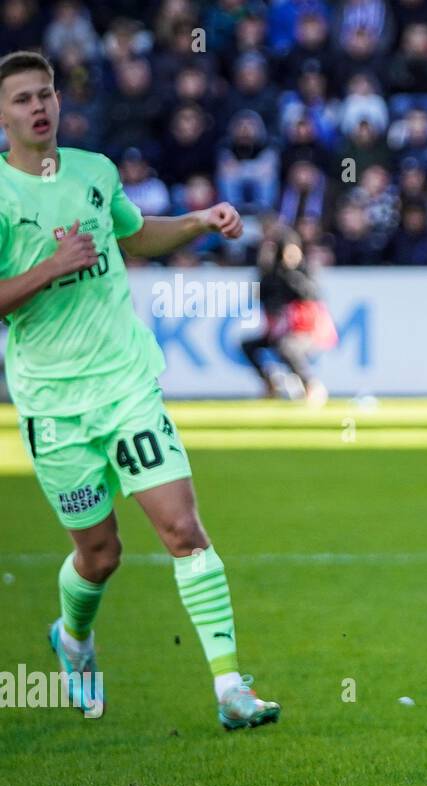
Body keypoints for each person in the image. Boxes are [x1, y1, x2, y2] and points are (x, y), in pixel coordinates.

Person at [0, 51, 279, 730]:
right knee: (100, 555)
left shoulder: (95, 172)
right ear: (3, 114)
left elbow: (135, 235)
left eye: (46, 94)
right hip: (52, 405)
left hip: (126, 385)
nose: (38, 107)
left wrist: (197, 222)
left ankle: (230, 688)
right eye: (21, 99)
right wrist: (51, 266)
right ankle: (72, 639)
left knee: (183, 530)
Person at [241, 222, 334, 404]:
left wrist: (290, 274)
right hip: (284, 329)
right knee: (248, 346)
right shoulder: (271, 275)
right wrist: (266, 267)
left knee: (287, 348)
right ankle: (270, 383)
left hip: (308, 330)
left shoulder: (306, 271)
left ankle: (310, 385)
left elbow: (312, 295)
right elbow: (260, 295)